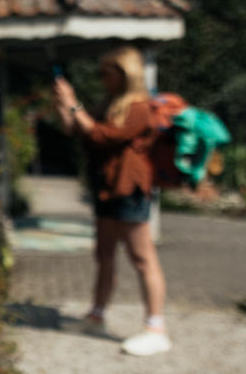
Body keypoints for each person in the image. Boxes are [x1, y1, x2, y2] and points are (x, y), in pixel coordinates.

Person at [53, 46, 171, 356]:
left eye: (107, 72)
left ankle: (156, 328)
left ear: (125, 73)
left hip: (129, 188)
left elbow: (105, 136)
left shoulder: (139, 107)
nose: (102, 78)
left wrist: (74, 105)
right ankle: (97, 315)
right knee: (104, 254)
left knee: (142, 258)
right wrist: (66, 107)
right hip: (106, 188)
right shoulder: (110, 102)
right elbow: (80, 131)